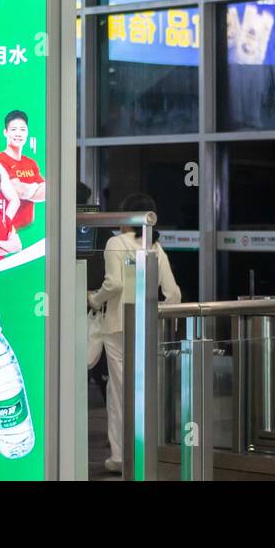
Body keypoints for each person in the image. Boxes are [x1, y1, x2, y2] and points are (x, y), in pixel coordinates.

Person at [89, 193, 182, 474]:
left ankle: (120, 456)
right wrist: (155, 314)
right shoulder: (154, 246)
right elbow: (174, 293)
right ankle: (145, 450)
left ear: (126, 218)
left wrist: (94, 299)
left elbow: (114, 284)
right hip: (146, 327)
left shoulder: (115, 243)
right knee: (144, 390)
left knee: (118, 392)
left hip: (117, 325)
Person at [0, 110, 46, 234]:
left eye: (22, 129)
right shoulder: (0, 160)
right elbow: (19, 191)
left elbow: (47, 191)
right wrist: (35, 187)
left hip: (30, 229)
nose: (18, 134)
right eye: (14, 129)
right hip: (8, 230)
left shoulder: (31, 163)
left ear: (27, 133)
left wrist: (27, 189)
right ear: (5, 132)